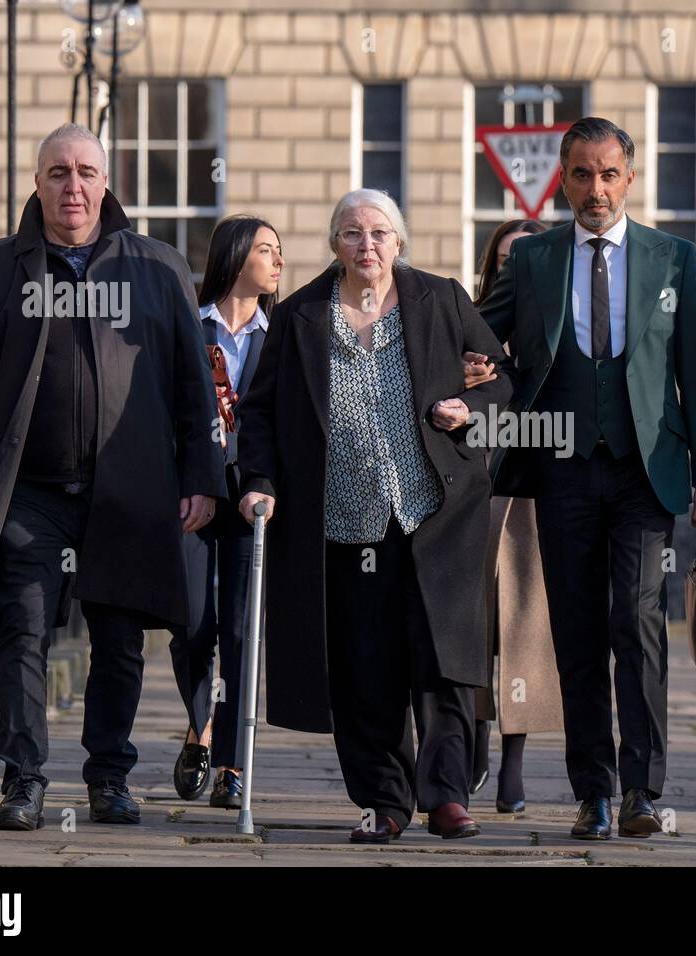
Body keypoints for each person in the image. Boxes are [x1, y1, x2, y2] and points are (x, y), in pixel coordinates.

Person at [0, 122, 225, 830]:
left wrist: (203, 475)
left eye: (86, 171)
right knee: (20, 631)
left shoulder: (159, 267)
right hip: (29, 491)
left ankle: (109, 778)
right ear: (38, 183)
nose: (73, 186)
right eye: (58, 172)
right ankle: (22, 780)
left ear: (106, 182)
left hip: (131, 486)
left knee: (118, 639)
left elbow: (192, 387)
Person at [235, 188, 515, 843]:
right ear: (335, 243)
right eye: (353, 234)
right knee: (364, 666)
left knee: (444, 660)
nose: (368, 246)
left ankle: (446, 796)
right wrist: (258, 482)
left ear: (399, 242)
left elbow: (501, 378)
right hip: (342, 521)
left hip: (435, 514)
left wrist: (470, 410)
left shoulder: (440, 298)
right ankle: (384, 802)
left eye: (380, 233)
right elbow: (258, 412)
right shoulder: (302, 314)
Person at [478, 117, 696, 840]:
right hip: (559, 469)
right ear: (563, 177)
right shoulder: (534, 259)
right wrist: (467, 364)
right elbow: (475, 326)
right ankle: (595, 792)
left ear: (629, 178)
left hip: (645, 470)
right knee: (577, 631)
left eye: (608, 174)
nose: (595, 188)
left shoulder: (673, 258)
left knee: (638, 619)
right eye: (581, 174)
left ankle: (644, 791)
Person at [169, 215, 282, 810]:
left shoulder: (281, 332)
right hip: (192, 492)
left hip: (251, 499)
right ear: (237, 258)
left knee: (241, 631)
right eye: (267, 250)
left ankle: (233, 761)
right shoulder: (189, 325)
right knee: (192, 623)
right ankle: (199, 724)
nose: (277, 261)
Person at [463, 219, 564, 814]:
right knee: (472, 630)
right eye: (505, 259)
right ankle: (475, 742)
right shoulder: (470, 322)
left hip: (534, 491)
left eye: (525, 257)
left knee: (525, 631)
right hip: (476, 491)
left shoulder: (555, 323)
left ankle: (515, 763)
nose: (515, 268)